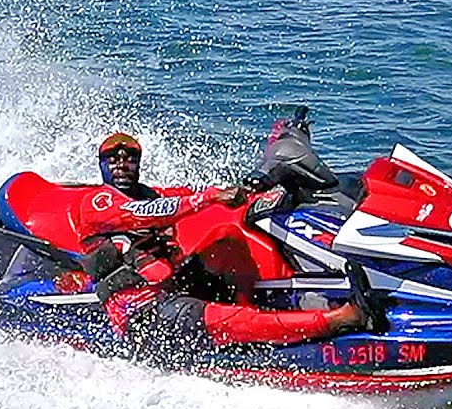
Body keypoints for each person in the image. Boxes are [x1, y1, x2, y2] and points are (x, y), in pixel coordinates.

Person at [75, 132, 378, 353]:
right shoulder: (98, 202)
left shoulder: (149, 192)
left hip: (174, 286)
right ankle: (340, 319)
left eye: (129, 158)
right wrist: (210, 197)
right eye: (112, 159)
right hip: (146, 315)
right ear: (101, 164)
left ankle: (249, 317)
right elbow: (149, 214)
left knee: (227, 238)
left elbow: (186, 195)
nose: (121, 163)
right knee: (232, 319)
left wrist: (259, 188)